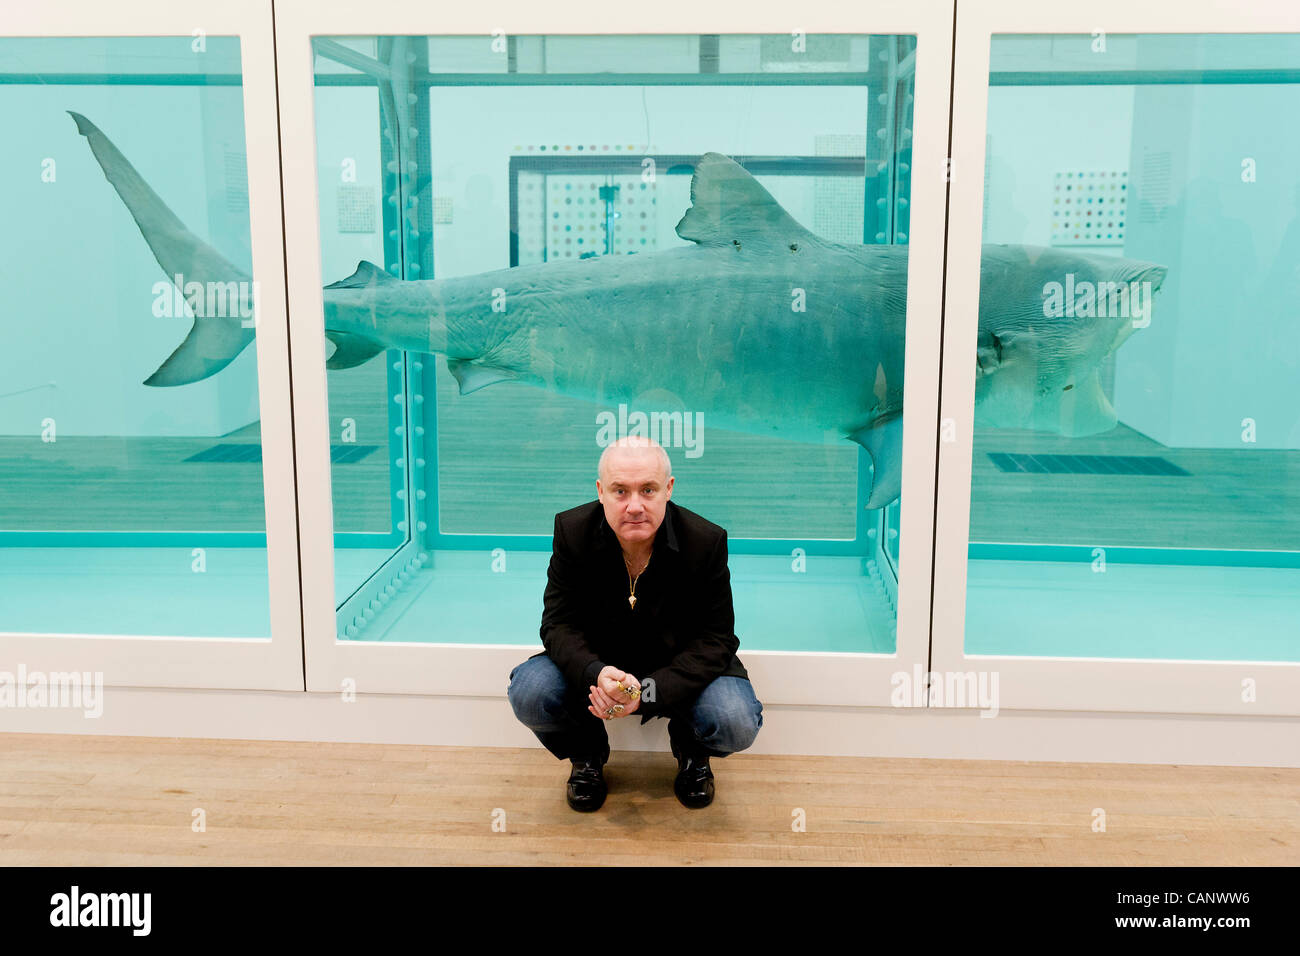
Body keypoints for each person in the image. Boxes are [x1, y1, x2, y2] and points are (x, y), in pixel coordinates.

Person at [507, 436, 762, 811]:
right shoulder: (572, 532)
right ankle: (587, 755)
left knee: (735, 720)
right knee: (530, 692)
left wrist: (646, 692)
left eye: (648, 490)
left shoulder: (705, 541)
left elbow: (716, 640)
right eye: (620, 491)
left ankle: (692, 750)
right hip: (601, 664)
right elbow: (557, 625)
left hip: (678, 668)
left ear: (668, 489)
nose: (635, 506)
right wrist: (596, 673)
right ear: (601, 492)